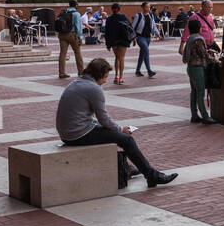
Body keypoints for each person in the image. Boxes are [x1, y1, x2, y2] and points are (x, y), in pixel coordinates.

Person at [56, 57, 177, 188]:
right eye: (105, 77)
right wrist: (120, 129)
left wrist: (113, 128)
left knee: (112, 133)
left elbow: (91, 119)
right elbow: (104, 119)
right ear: (98, 75)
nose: (105, 80)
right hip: (78, 134)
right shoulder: (93, 89)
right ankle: (151, 176)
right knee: (126, 140)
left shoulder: (77, 82)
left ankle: (129, 167)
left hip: (67, 133)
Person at [182, 17, 218, 124]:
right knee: (200, 92)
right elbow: (204, 55)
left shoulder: (190, 38)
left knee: (194, 92)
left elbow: (197, 51)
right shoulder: (198, 39)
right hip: (197, 68)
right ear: (199, 28)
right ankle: (205, 116)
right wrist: (215, 59)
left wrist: (207, 50)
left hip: (190, 67)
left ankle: (194, 115)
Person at [103, 3, 135, 85]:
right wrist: (134, 38)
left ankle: (116, 76)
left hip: (113, 41)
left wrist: (108, 44)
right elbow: (130, 27)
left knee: (117, 57)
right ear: (119, 9)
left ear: (112, 9)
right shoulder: (123, 17)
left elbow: (107, 32)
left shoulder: (109, 19)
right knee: (121, 58)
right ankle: (121, 78)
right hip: (123, 40)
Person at [56, 0, 85, 79]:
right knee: (77, 52)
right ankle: (81, 71)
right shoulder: (76, 14)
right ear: (76, 5)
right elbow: (78, 27)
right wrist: (80, 37)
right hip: (71, 35)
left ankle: (62, 73)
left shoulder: (63, 12)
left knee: (62, 53)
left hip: (62, 34)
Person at [132, 0, 158, 77]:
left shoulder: (150, 16)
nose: (148, 8)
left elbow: (153, 25)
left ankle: (137, 71)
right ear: (143, 7)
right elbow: (133, 27)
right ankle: (149, 70)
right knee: (146, 51)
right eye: (147, 7)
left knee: (142, 54)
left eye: (149, 7)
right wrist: (133, 38)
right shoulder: (138, 15)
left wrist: (157, 33)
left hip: (148, 37)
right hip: (140, 37)